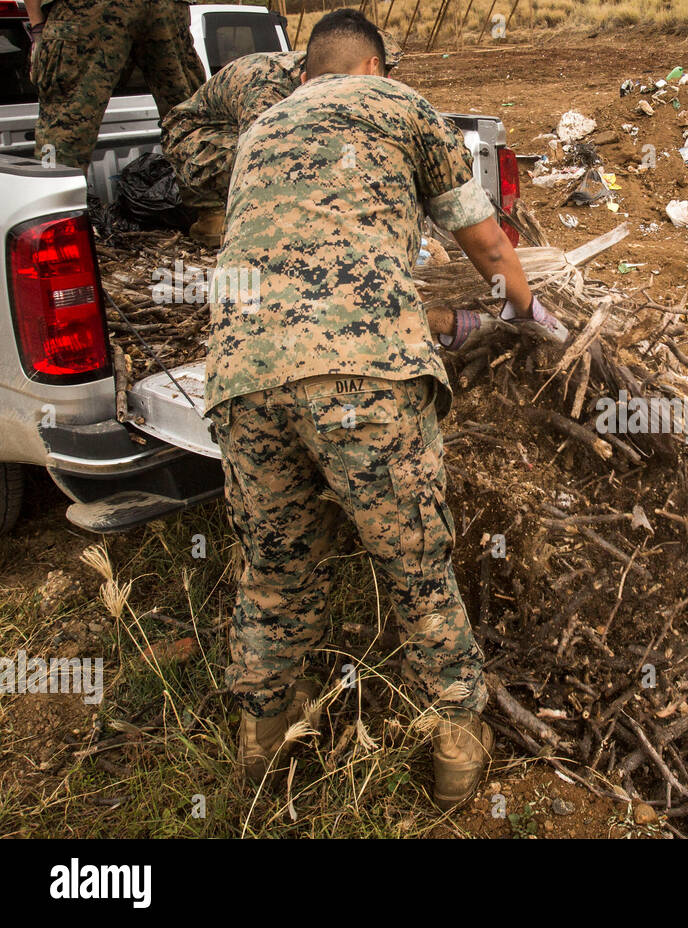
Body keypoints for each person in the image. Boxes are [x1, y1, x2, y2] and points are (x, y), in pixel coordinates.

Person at [205, 8, 565, 809]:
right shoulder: (403, 108)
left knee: (273, 571)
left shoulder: (260, 130)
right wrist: (527, 314)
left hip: (240, 379)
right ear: (376, 68)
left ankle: (262, 749)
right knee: (414, 565)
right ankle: (455, 745)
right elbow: (486, 243)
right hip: (361, 374)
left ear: (306, 75)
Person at [161, 32, 404, 247]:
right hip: (195, 140)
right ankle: (214, 216)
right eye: (383, 70)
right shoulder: (269, 87)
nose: (386, 80)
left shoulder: (332, 81)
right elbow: (261, 159)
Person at [25, 0, 204, 171]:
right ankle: (212, 199)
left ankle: (58, 196)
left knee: (64, 126)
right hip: (167, 8)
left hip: (87, 10)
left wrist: (37, 27)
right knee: (190, 121)